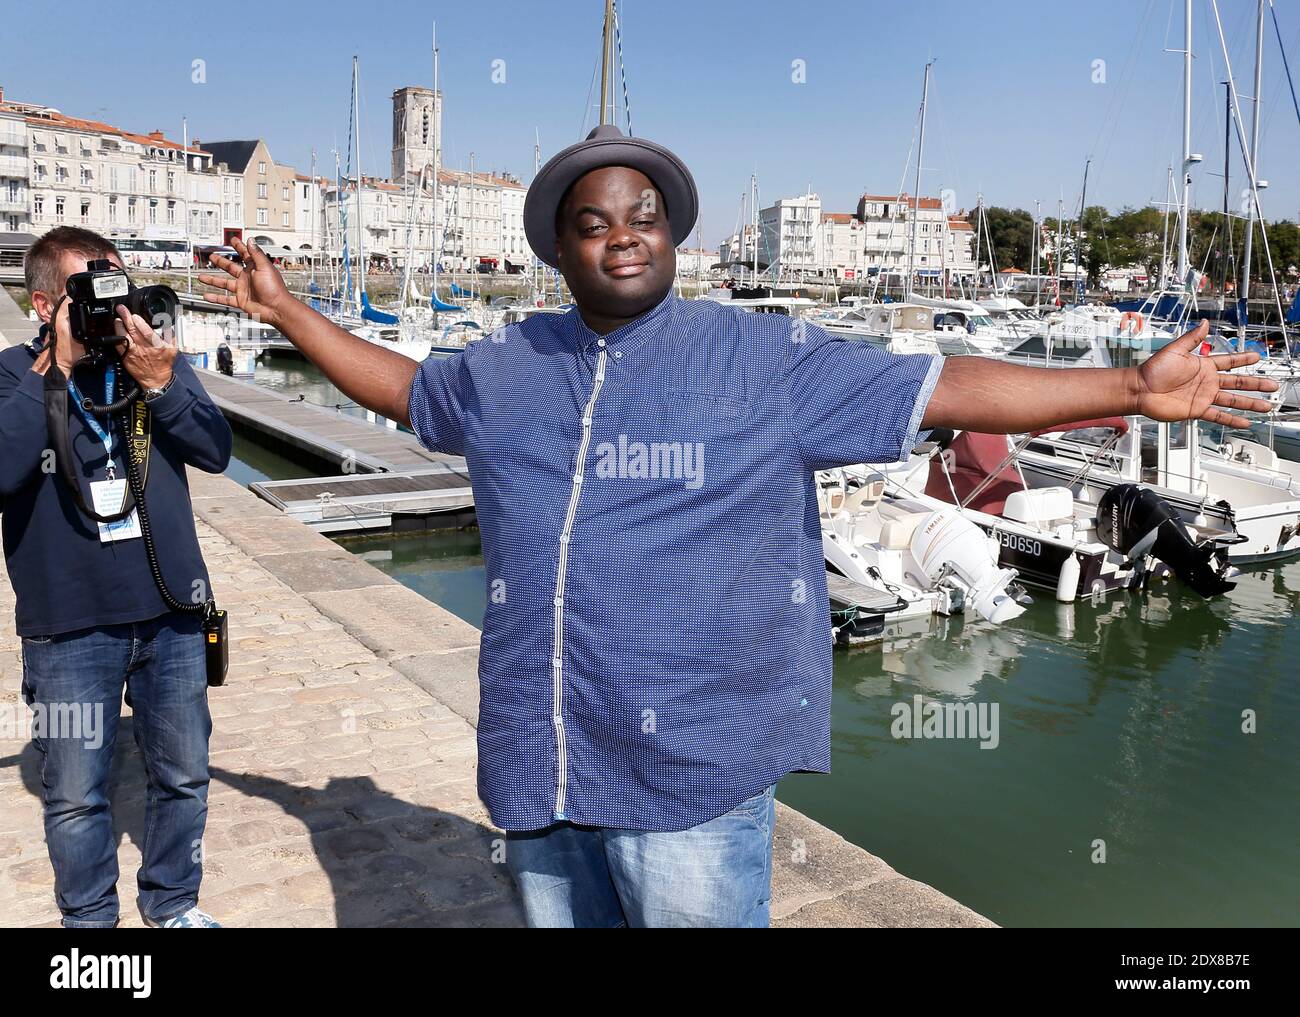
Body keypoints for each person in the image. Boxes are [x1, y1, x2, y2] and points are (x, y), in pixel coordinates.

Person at [200, 125, 1275, 928]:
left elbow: (942, 386)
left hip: (691, 776)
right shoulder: (505, 366)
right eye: (594, 222)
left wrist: (1129, 384)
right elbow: (407, 391)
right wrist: (291, 311)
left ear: (671, 233)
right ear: (559, 250)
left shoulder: (760, 361)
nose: (623, 235)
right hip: (545, 757)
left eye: (643, 216)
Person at [0, 226, 232, 928]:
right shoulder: (14, 373)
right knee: (74, 794)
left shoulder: (151, 363)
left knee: (184, 777)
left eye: (119, 288)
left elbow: (215, 450)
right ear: (45, 305)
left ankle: (173, 903)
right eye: (90, 292)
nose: (112, 308)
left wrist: (162, 385)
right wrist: (59, 372)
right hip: (69, 624)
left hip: (171, 613)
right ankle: (90, 925)